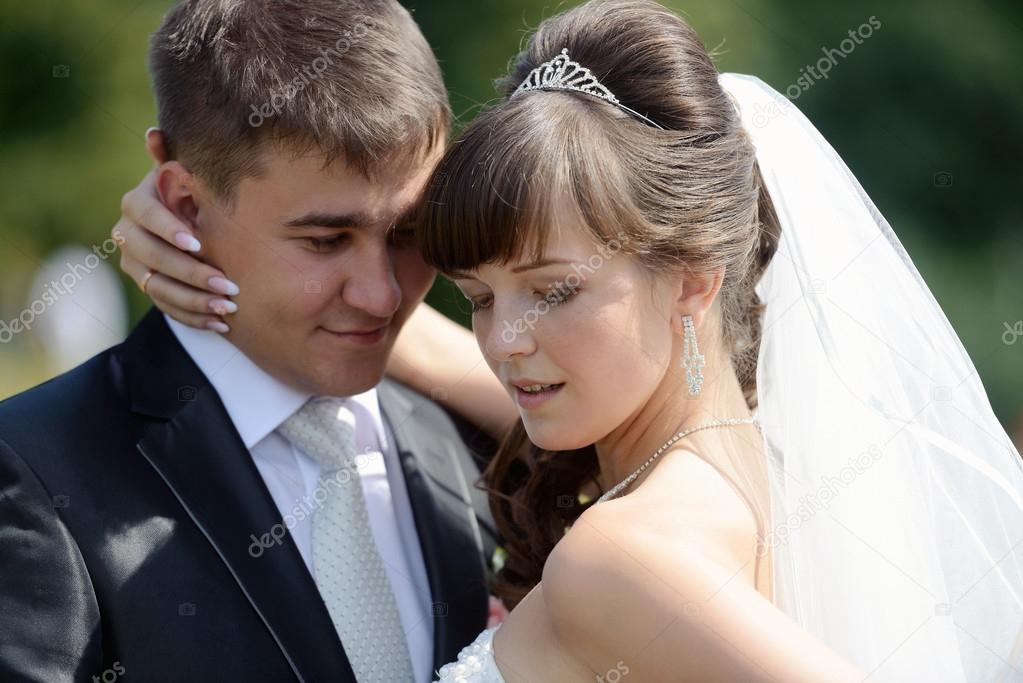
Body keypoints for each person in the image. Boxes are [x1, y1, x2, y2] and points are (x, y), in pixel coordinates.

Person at [113, 0, 1023, 681]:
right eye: (478, 295)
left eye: (554, 291)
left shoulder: (621, 554)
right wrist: (222, 251)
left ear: (694, 277)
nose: (507, 343)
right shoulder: (764, 464)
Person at [0, 2, 509, 682]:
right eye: (326, 240)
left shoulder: (476, 424)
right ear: (183, 204)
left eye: (410, 233)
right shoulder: (36, 471)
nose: (382, 296)